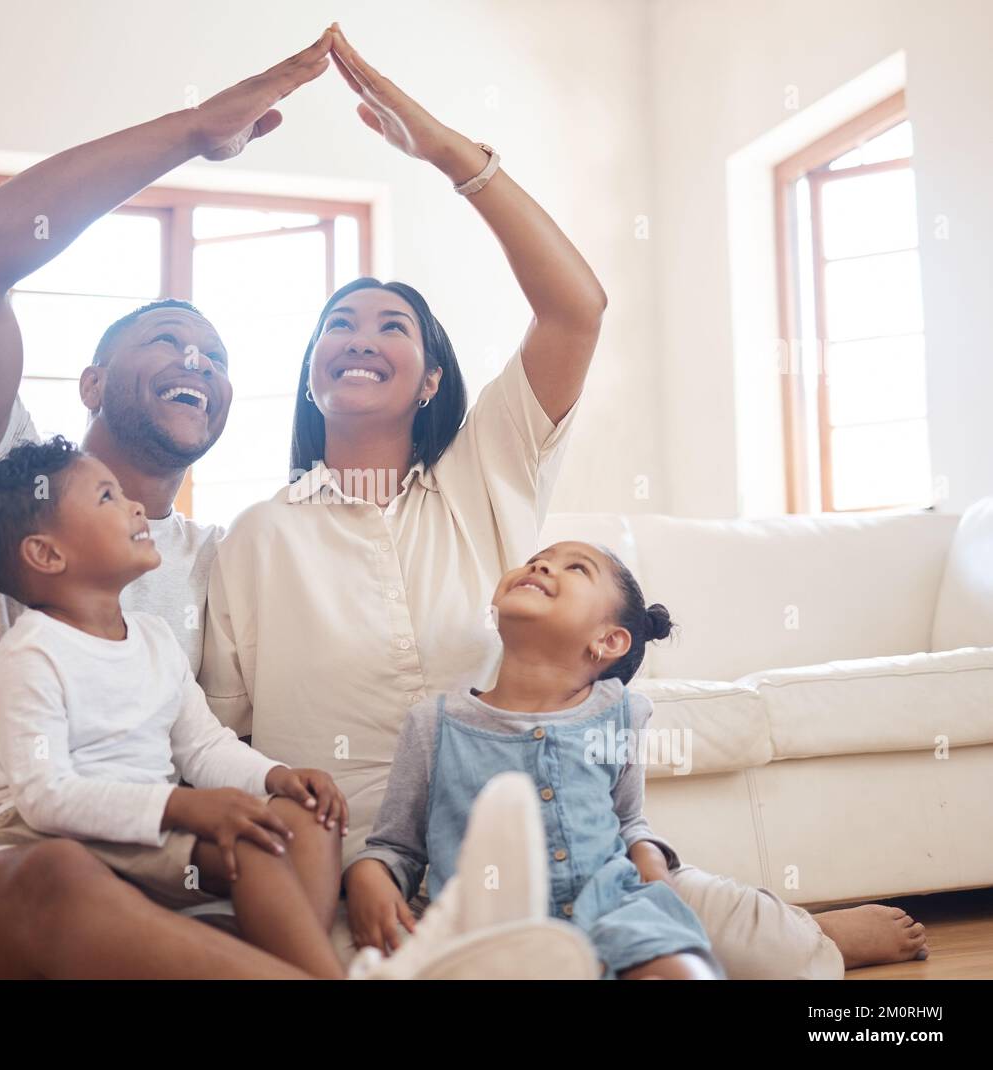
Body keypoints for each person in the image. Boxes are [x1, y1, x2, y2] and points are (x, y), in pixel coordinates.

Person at [199, 24, 929, 978]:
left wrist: (449, 155)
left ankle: (804, 933)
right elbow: (222, 727)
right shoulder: (256, 537)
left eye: (393, 326)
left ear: (428, 380)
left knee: (769, 955)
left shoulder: (482, 473)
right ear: (311, 380)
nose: (360, 336)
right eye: (338, 326)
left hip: (559, 848)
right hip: (356, 868)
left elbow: (576, 308)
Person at [0, 31, 348, 980]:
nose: (199, 362)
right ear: (93, 382)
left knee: (280, 835)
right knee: (58, 877)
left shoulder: (216, 556)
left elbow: (212, 742)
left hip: (148, 861)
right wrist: (191, 132)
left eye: (217, 357)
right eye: (168, 341)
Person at [0, 437, 349, 978]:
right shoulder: (31, 652)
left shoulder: (155, 639)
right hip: (50, 832)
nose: (135, 505)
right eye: (107, 497)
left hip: (147, 830)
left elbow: (203, 748)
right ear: (47, 554)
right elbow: (45, 797)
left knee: (298, 820)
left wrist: (279, 778)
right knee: (250, 847)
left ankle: (283, 961)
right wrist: (182, 808)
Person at [353, 540, 722, 979]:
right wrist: (368, 876)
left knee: (686, 973)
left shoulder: (621, 712)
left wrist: (655, 871)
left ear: (608, 641)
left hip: (613, 911)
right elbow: (397, 846)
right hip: (491, 928)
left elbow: (627, 822)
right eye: (535, 561)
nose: (543, 565)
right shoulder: (435, 724)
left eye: (577, 568)